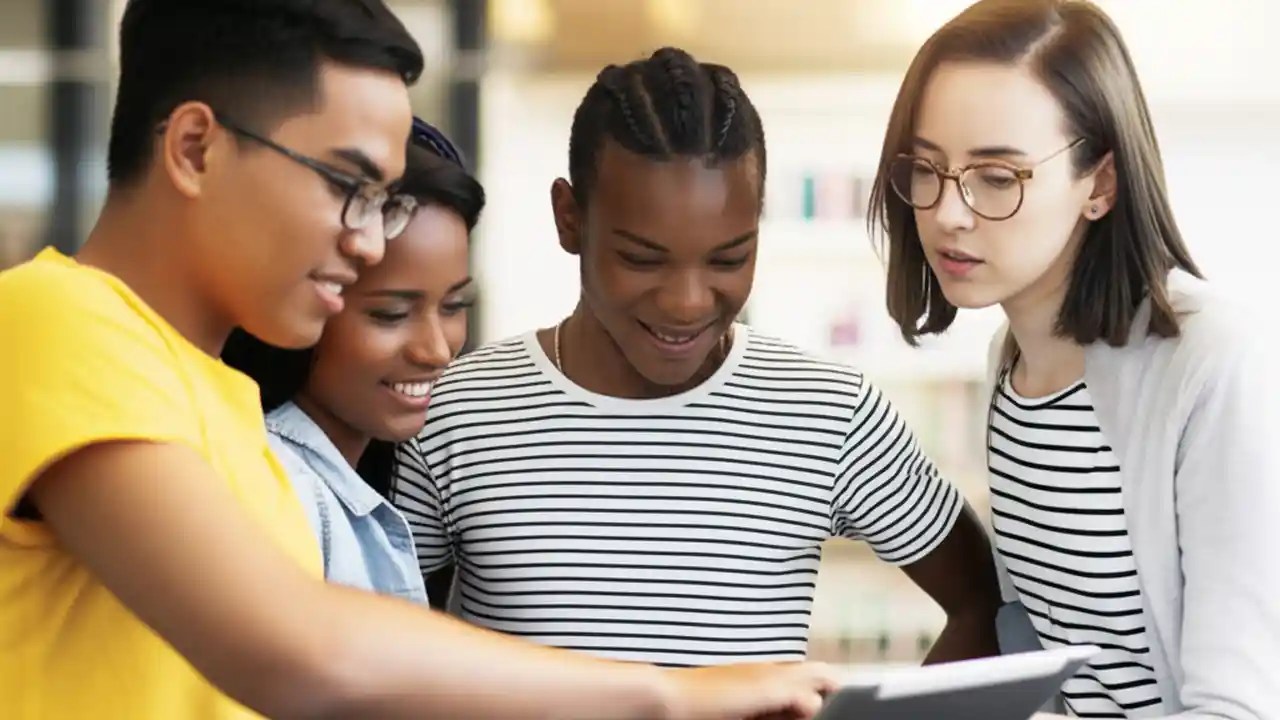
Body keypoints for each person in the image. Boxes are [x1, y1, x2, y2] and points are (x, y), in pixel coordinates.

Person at [0, 2, 836, 718]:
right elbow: (297, 649)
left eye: (383, 198)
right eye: (346, 185)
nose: (367, 241)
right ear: (193, 148)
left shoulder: (222, 407)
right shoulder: (53, 320)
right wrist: (672, 693)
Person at [394, 46, 1003, 669]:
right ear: (570, 219)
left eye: (728, 259)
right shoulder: (452, 411)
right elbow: (392, 650)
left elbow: (987, 606)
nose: (687, 304)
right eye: (643, 259)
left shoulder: (830, 413)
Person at [868, 0, 1280, 717]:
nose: (947, 213)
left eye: (998, 177)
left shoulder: (1214, 367)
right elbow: (1060, 667)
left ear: (1101, 185)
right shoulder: (1010, 364)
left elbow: (1236, 708)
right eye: (927, 169)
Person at [221, 118, 480, 605]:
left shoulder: (359, 482)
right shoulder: (278, 491)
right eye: (391, 313)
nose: (436, 350)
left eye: (453, 306)